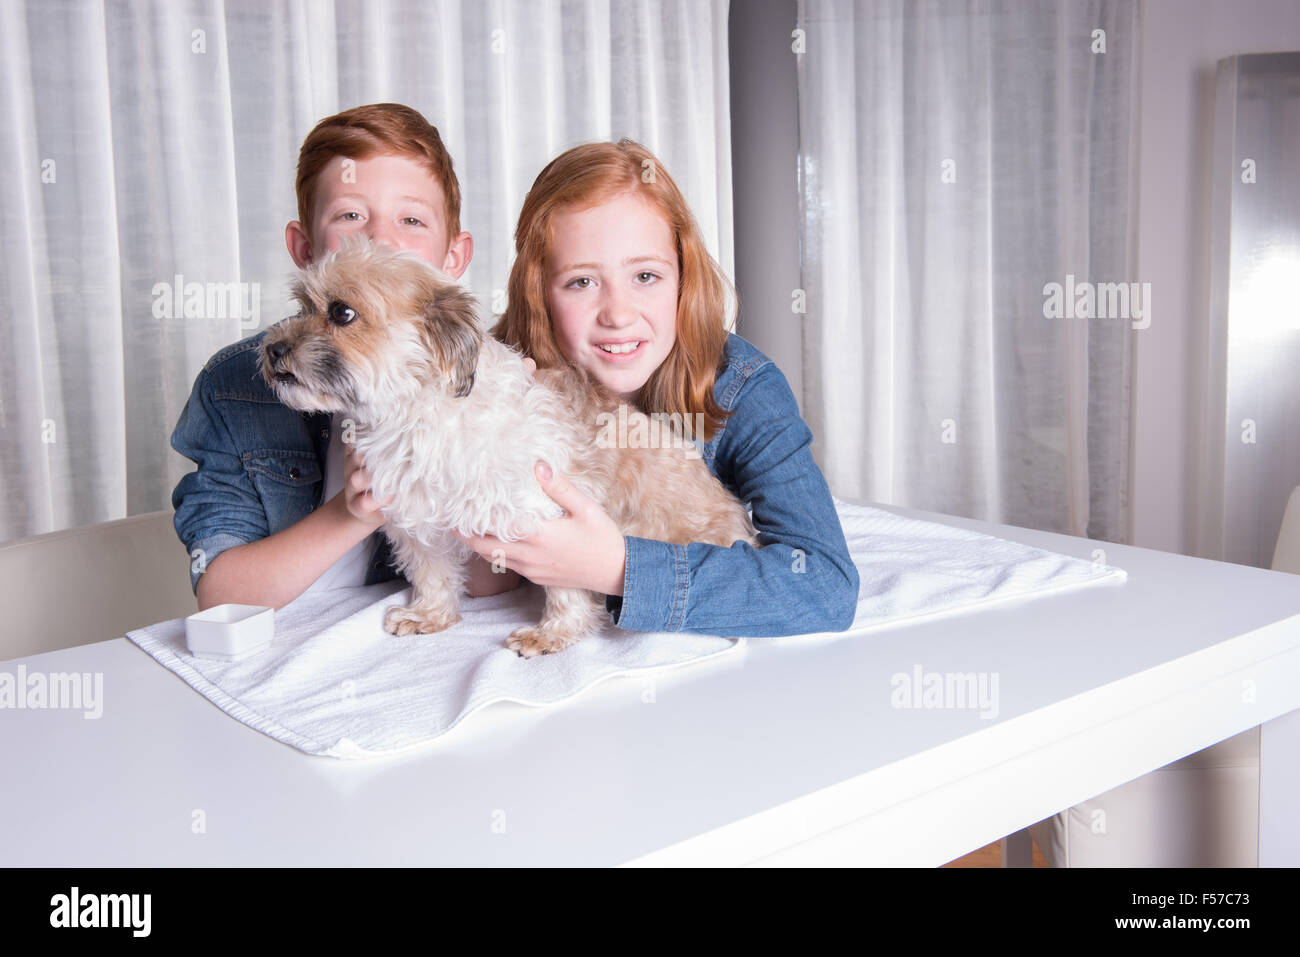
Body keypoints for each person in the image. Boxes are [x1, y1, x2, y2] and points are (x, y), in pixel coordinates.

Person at [457, 139, 859, 636]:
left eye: (645, 275)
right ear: (538, 293)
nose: (619, 314)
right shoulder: (498, 379)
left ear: (684, 280)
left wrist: (617, 568)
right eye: (581, 282)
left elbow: (824, 585)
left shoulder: (741, 386)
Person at [170, 103, 517, 610]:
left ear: (453, 260)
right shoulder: (234, 386)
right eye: (351, 215)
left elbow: (495, 586)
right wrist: (353, 512)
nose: (378, 240)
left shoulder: (487, 382)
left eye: (412, 219)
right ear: (305, 247)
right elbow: (221, 598)